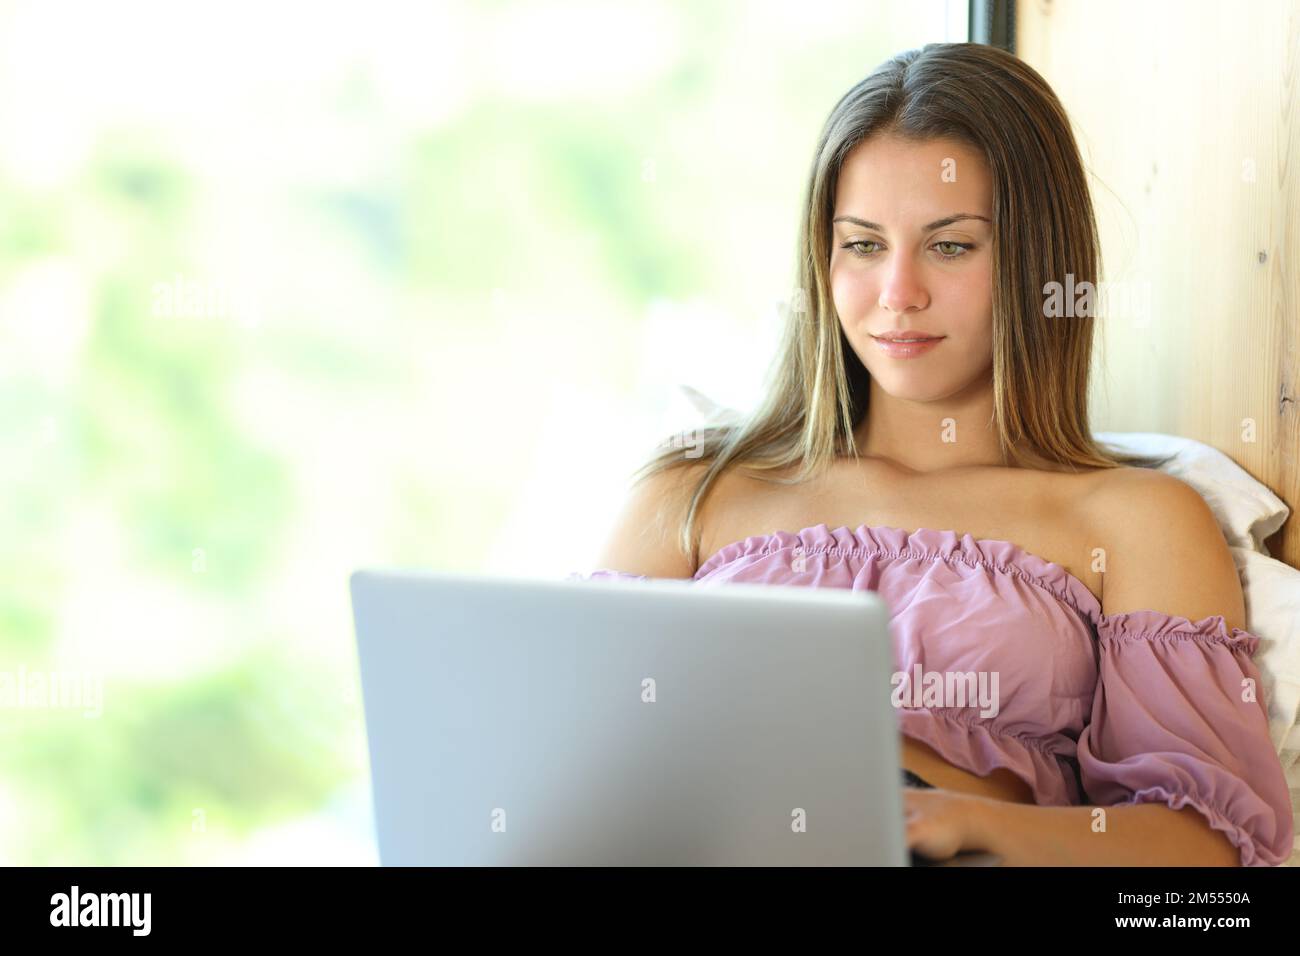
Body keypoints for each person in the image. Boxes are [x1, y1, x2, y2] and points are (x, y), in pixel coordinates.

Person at [577, 42, 1294, 867]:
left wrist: (971, 823)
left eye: (950, 246)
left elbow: (1207, 857)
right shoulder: (692, 494)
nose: (898, 293)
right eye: (863, 245)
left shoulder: (1132, 520)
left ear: (1036, 264)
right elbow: (565, 754)